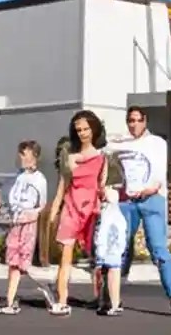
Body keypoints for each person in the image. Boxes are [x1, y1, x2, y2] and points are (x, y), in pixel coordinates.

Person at [107, 105, 171, 315]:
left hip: (152, 199)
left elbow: (160, 170)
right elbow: (102, 151)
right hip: (128, 201)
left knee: (158, 248)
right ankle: (112, 296)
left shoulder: (156, 143)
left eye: (137, 120)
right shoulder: (121, 144)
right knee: (121, 248)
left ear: (145, 122)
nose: (134, 125)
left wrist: (152, 187)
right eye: (130, 121)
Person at [47, 110, 108, 316]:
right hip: (71, 209)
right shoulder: (70, 158)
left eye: (86, 129)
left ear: (94, 129)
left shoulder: (102, 158)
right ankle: (62, 301)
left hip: (92, 211)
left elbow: (103, 187)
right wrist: (53, 215)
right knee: (65, 258)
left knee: (96, 258)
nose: (82, 133)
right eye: (79, 130)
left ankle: (101, 298)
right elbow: (61, 189)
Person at [0, 141, 48, 316]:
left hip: (28, 224)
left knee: (23, 264)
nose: (21, 157)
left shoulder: (39, 179)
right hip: (15, 223)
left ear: (34, 156)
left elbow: (41, 203)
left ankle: (47, 290)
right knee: (12, 263)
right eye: (21, 154)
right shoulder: (17, 176)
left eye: (25, 154)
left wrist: (33, 214)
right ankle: (10, 301)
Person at [92, 184, 128, 316]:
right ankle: (109, 301)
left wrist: (101, 251)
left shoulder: (110, 213)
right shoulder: (114, 214)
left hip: (109, 249)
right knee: (108, 273)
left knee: (109, 273)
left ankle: (111, 303)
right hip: (111, 250)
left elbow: (104, 233)